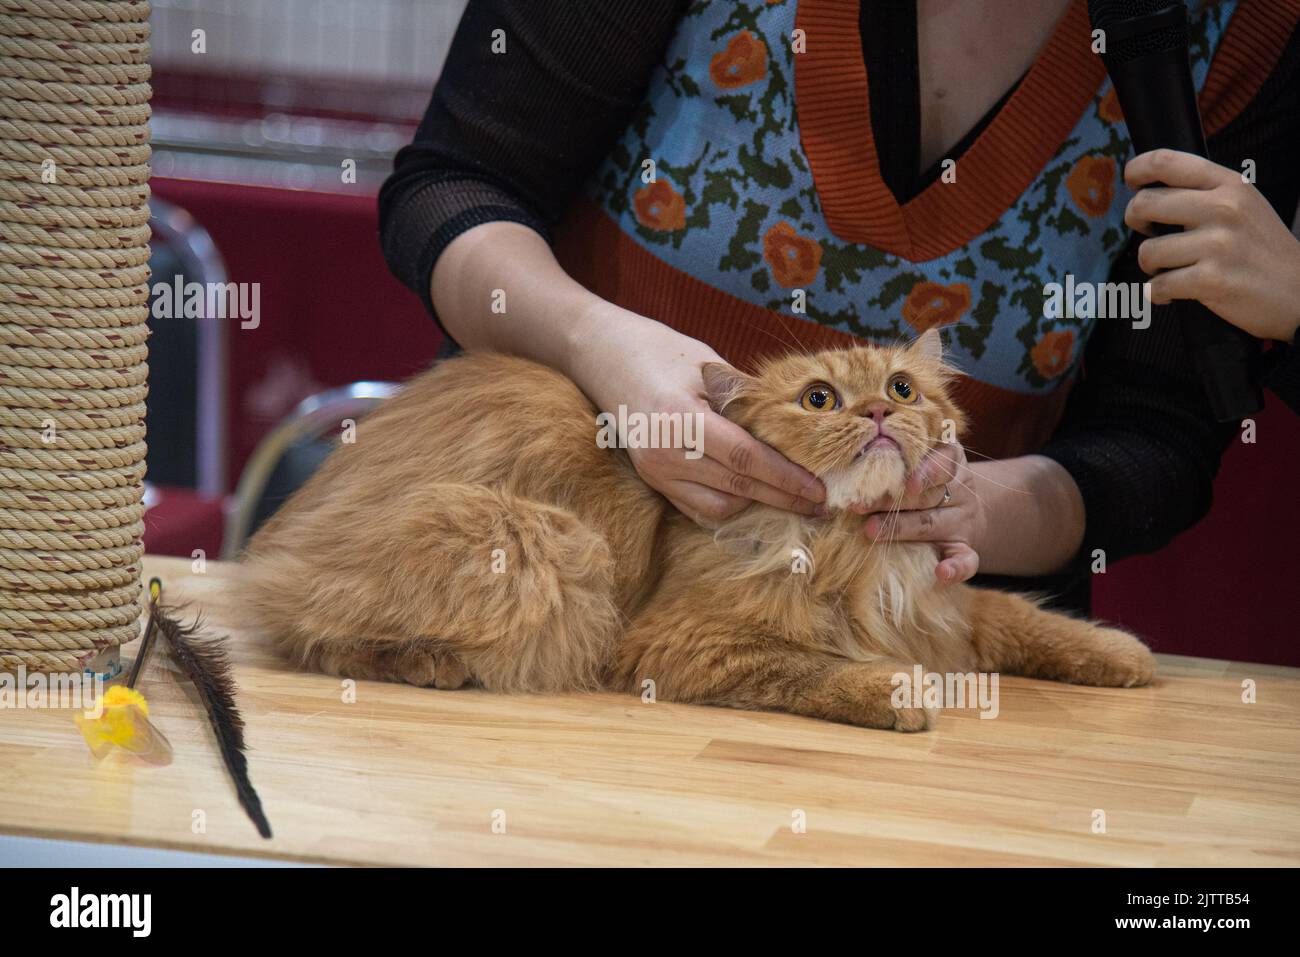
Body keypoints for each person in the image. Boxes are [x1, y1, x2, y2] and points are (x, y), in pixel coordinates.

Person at [378, 0, 1300, 613]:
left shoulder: (1246, 28)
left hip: (903, 635)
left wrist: (969, 512)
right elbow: (454, 185)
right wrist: (596, 345)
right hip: (542, 576)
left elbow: (1161, 435)